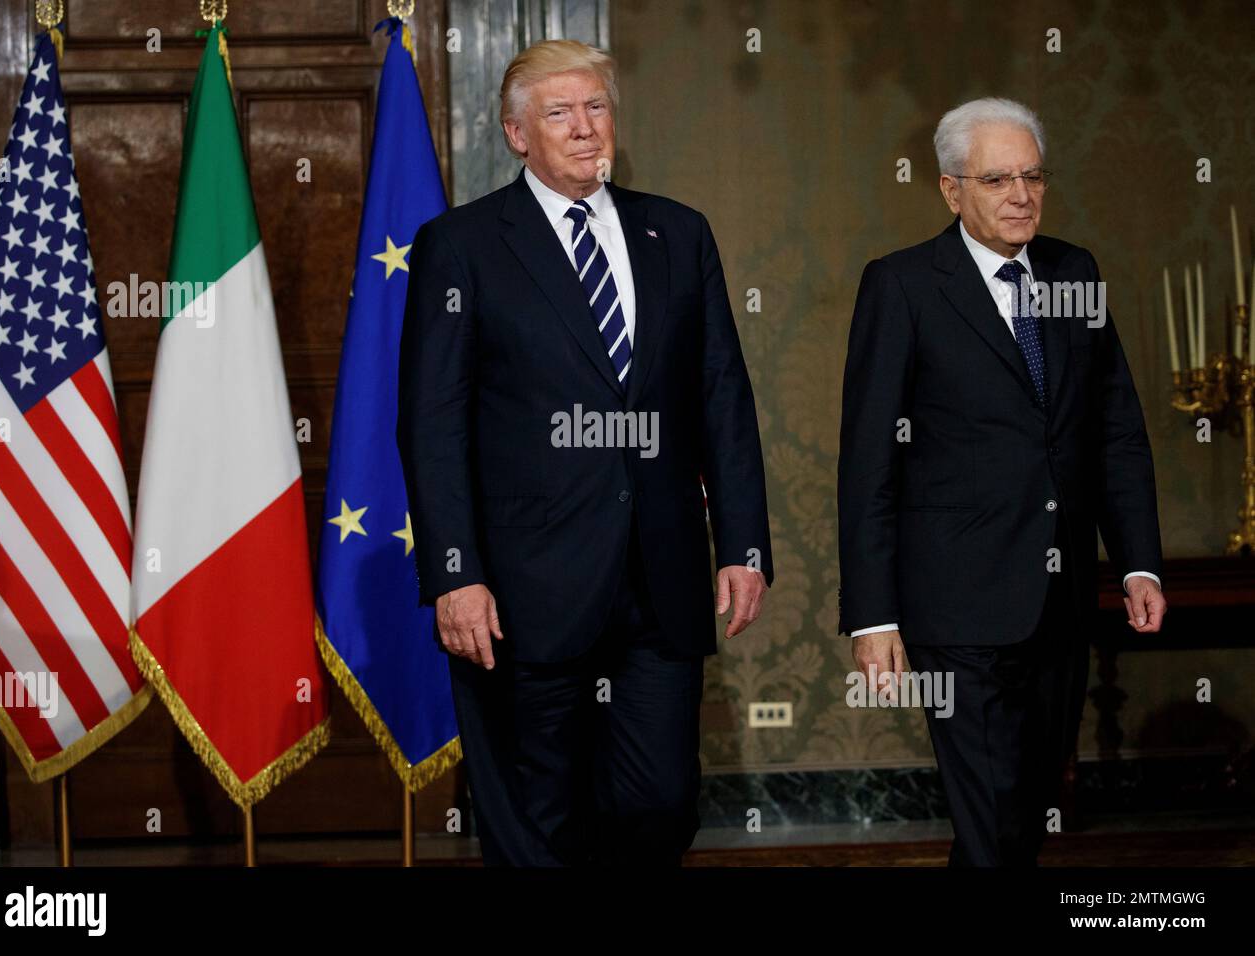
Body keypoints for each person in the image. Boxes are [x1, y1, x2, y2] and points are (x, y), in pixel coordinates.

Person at [397, 39, 772, 866]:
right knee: (537, 820)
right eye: (559, 112)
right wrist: (455, 572)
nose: (582, 128)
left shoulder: (678, 233)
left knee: (661, 805)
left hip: (659, 580)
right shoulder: (461, 247)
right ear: (517, 134)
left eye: (596, 107)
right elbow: (433, 423)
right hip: (522, 590)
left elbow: (722, 399)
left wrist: (743, 544)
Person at [838, 97, 1166, 866]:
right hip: (954, 604)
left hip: (1060, 594)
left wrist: (1139, 560)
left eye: (1032, 176)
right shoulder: (904, 286)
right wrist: (871, 615)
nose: (1021, 195)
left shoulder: (1073, 270)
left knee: (1022, 813)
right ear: (952, 190)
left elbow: (1115, 428)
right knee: (990, 818)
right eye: (997, 180)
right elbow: (869, 460)